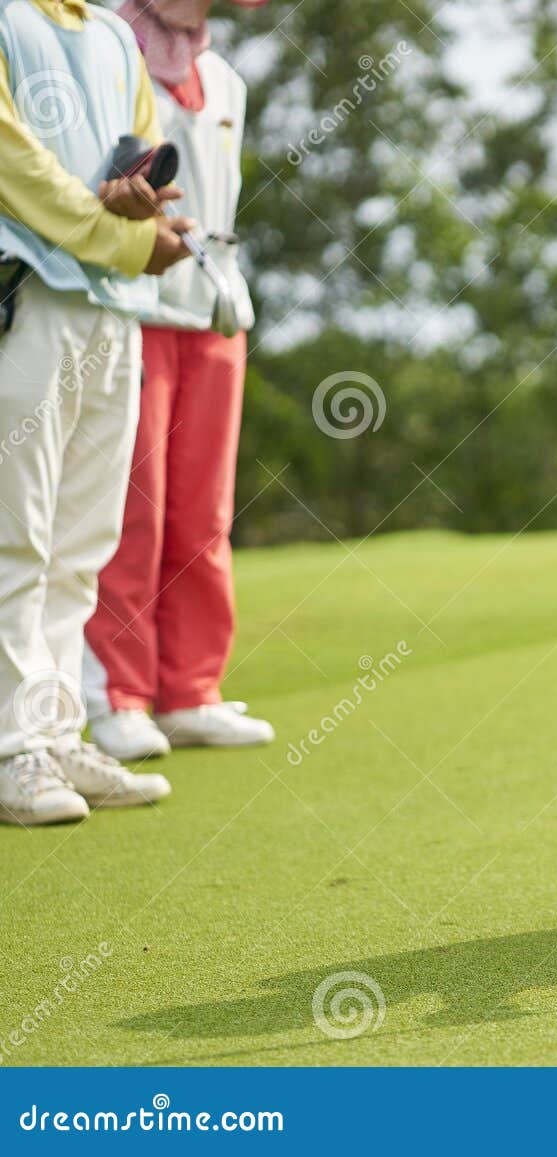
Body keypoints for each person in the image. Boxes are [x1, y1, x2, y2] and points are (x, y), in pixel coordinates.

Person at [0, 0, 194, 825]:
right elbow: (17, 169)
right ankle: (12, 751)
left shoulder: (116, 34)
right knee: (17, 535)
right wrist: (128, 242)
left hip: (112, 310)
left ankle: (53, 732)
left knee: (80, 544)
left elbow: (142, 168)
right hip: (26, 296)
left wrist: (151, 211)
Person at [84, 0, 273, 762]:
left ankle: (192, 689)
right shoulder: (107, 55)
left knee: (205, 511)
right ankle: (118, 697)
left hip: (217, 308)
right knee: (135, 510)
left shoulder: (225, 79)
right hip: (135, 302)